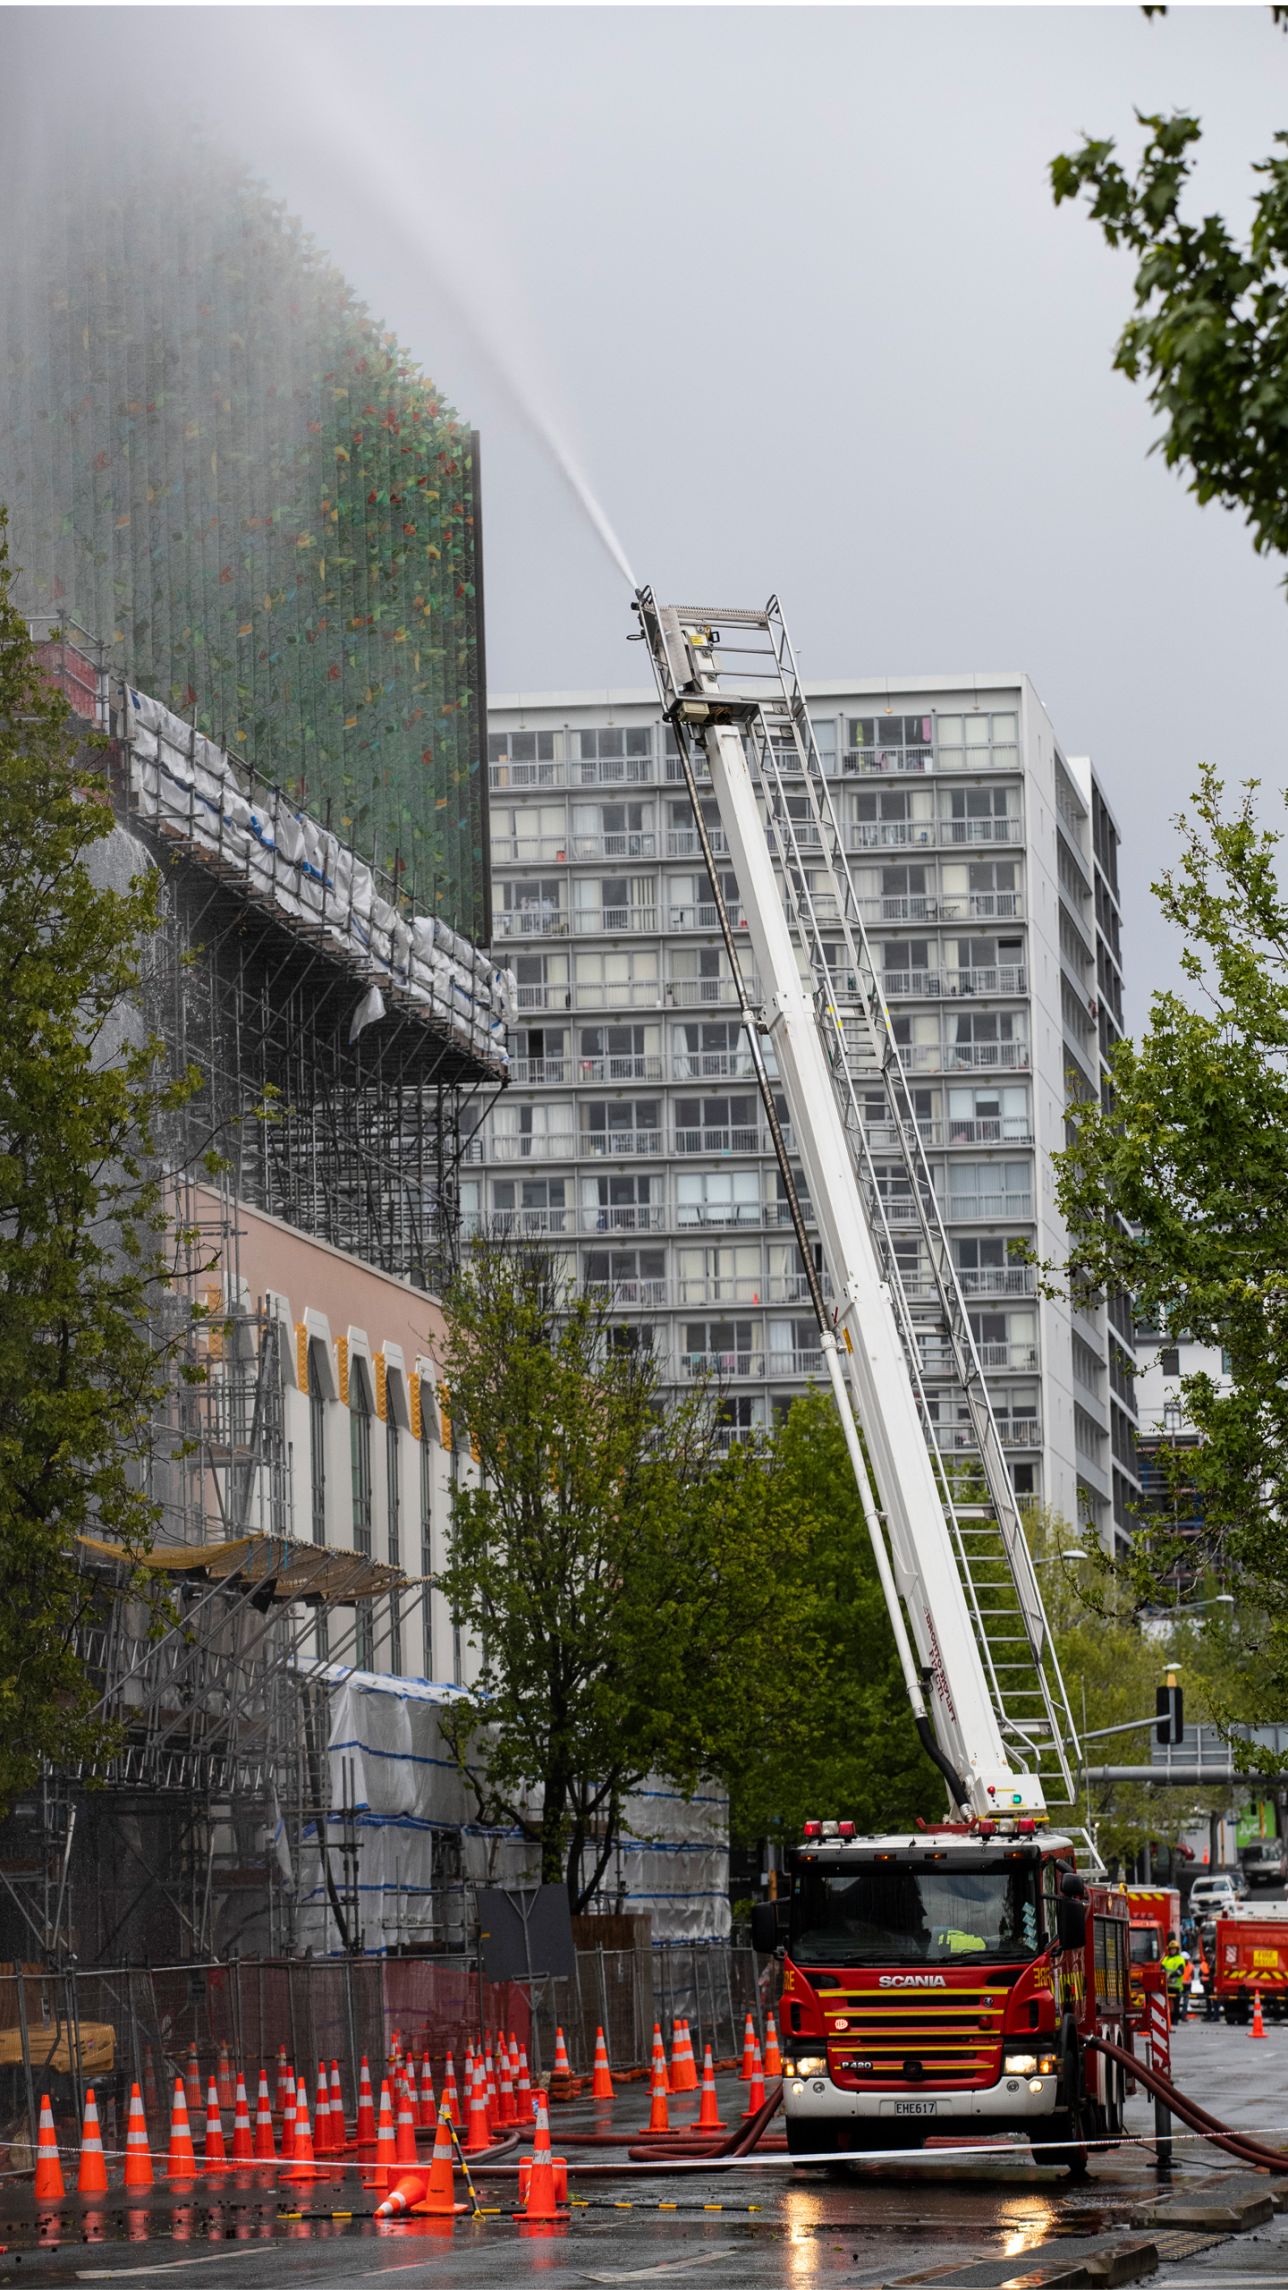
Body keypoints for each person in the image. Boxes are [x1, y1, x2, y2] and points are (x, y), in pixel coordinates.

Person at [1162, 1933, 1189, 2025]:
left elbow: (1180, 1971)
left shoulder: (1180, 1959)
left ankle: (1175, 2020)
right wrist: (1165, 1975)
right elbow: (1161, 1969)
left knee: (1176, 2005)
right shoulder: (1165, 1959)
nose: (1173, 1951)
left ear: (1177, 1950)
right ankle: (1166, 2020)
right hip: (1166, 1986)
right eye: (1171, 1949)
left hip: (1176, 1987)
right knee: (1165, 2005)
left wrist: (1171, 1976)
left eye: (1174, 1949)